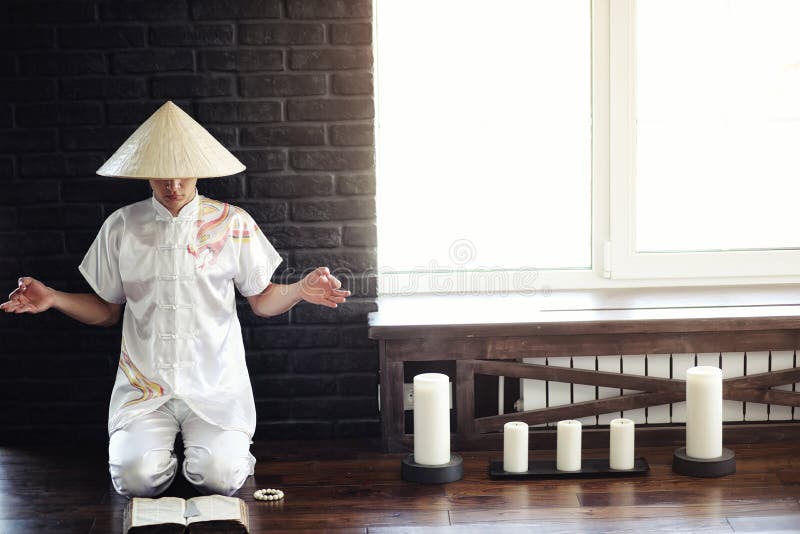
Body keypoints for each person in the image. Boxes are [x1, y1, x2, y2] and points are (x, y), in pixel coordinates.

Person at [0, 101, 350, 498]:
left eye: (181, 173)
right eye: (161, 175)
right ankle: (160, 457)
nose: (173, 185)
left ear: (198, 167)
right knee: (134, 480)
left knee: (220, 478)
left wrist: (301, 291)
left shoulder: (232, 223)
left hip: (216, 385)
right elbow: (107, 312)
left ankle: (226, 454)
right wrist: (54, 298)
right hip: (145, 387)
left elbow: (262, 300)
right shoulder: (121, 226)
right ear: (145, 172)